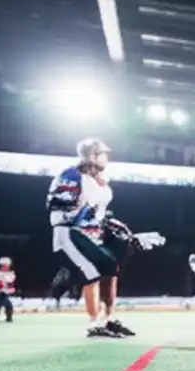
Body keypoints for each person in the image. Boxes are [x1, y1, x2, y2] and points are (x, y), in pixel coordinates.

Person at [47, 138, 154, 338]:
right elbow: (59, 210)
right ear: (92, 155)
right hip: (70, 233)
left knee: (111, 267)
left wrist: (123, 230)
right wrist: (84, 215)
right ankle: (93, 323)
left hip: (92, 234)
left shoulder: (101, 180)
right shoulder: (71, 176)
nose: (107, 158)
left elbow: (100, 215)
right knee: (91, 272)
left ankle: (109, 319)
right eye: (103, 154)